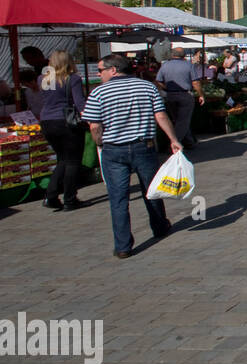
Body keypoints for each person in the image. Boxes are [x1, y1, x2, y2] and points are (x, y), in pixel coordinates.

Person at [81, 54, 182, 258]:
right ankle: (160, 226)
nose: (99, 75)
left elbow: (94, 125)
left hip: (114, 149)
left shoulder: (98, 93)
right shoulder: (147, 87)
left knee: (118, 199)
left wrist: (100, 143)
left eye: (100, 70)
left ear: (113, 70)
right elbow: (160, 115)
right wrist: (173, 138)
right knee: (151, 190)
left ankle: (123, 246)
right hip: (143, 146)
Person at [37, 51, 87, 210]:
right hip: (66, 121)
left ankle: (51, 196)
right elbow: (80, 103)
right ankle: (70, 199)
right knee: (72, 161)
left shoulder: (42, 79)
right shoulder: (72, 79)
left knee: (62, 159)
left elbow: (46, 99)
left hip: (46, 121)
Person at [155, 47, 205, 150]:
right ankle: (174, 144)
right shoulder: (188, 65)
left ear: (172, 54)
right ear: (184, 55)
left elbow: (158, 81)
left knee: (178, 120)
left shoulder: (165, 65)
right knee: (183, 121)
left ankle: (189, 142)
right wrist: (201, 94)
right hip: (185, 95)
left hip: (170, 96)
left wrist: (166, 87)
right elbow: (195, 82)